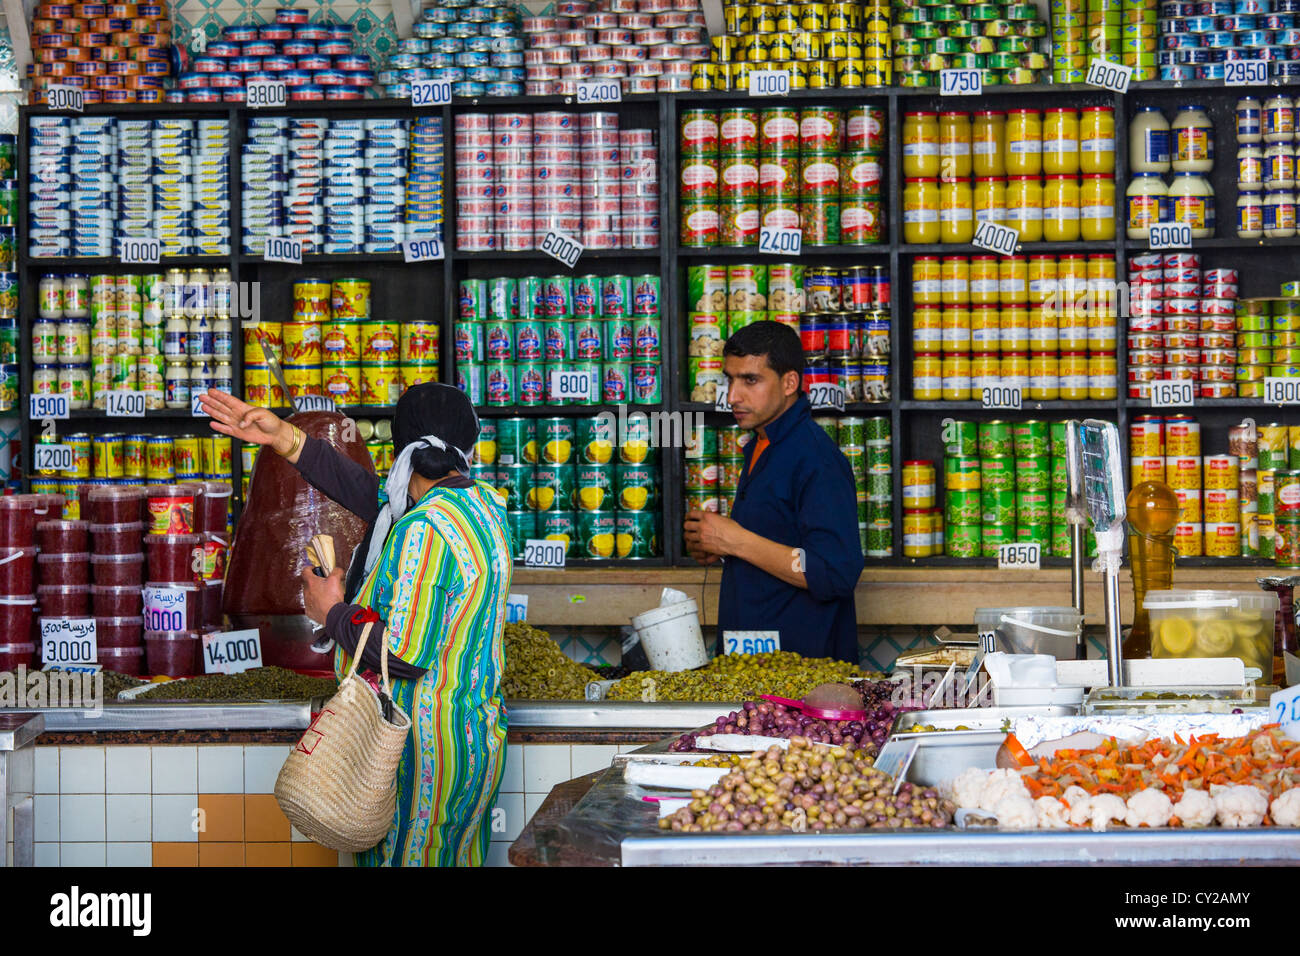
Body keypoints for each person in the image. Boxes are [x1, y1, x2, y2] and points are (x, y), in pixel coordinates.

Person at [200, 384, 513, 867]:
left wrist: (331, 611)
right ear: (468, 450)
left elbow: (403, 654)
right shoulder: (486, 509)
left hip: (418, 752)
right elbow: (376, 496)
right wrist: (284, 437)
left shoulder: (425, 528)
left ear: (399, 453)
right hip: (472, 741)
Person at [683, 321, 863, 663]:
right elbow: (777, 542)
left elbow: (834, 572)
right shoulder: (761, 446)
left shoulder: (816, 459)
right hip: (752, 668)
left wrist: (735, 541)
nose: (733, 395)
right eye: (729, 379)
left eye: (750, 380)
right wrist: (719, 547)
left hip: (801, 677)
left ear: (790, 382)